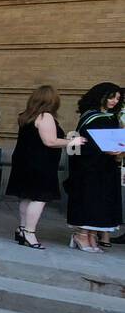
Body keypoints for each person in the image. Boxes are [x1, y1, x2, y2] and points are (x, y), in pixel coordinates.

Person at [6, 86, 84, 249]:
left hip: (23, 161)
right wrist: (72, 142)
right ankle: (30, 233)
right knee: (39, 198)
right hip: (40, 164)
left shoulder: (26, 116)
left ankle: (22, 229)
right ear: (52, 101)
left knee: (27, 196)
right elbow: (50, 141)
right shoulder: (46, 116)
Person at [65, 82, 124, 252]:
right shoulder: (91, 116)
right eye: (111, 97)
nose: (114, 101)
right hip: (89, 166)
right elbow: (84, 143)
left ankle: (91, 234)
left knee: (101, 201)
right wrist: (105, 149)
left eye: (117, 98)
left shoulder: (109, 116)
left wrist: (118, 149)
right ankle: (81, 234)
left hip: (106, 166)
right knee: (90, 199)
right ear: (101, 96)